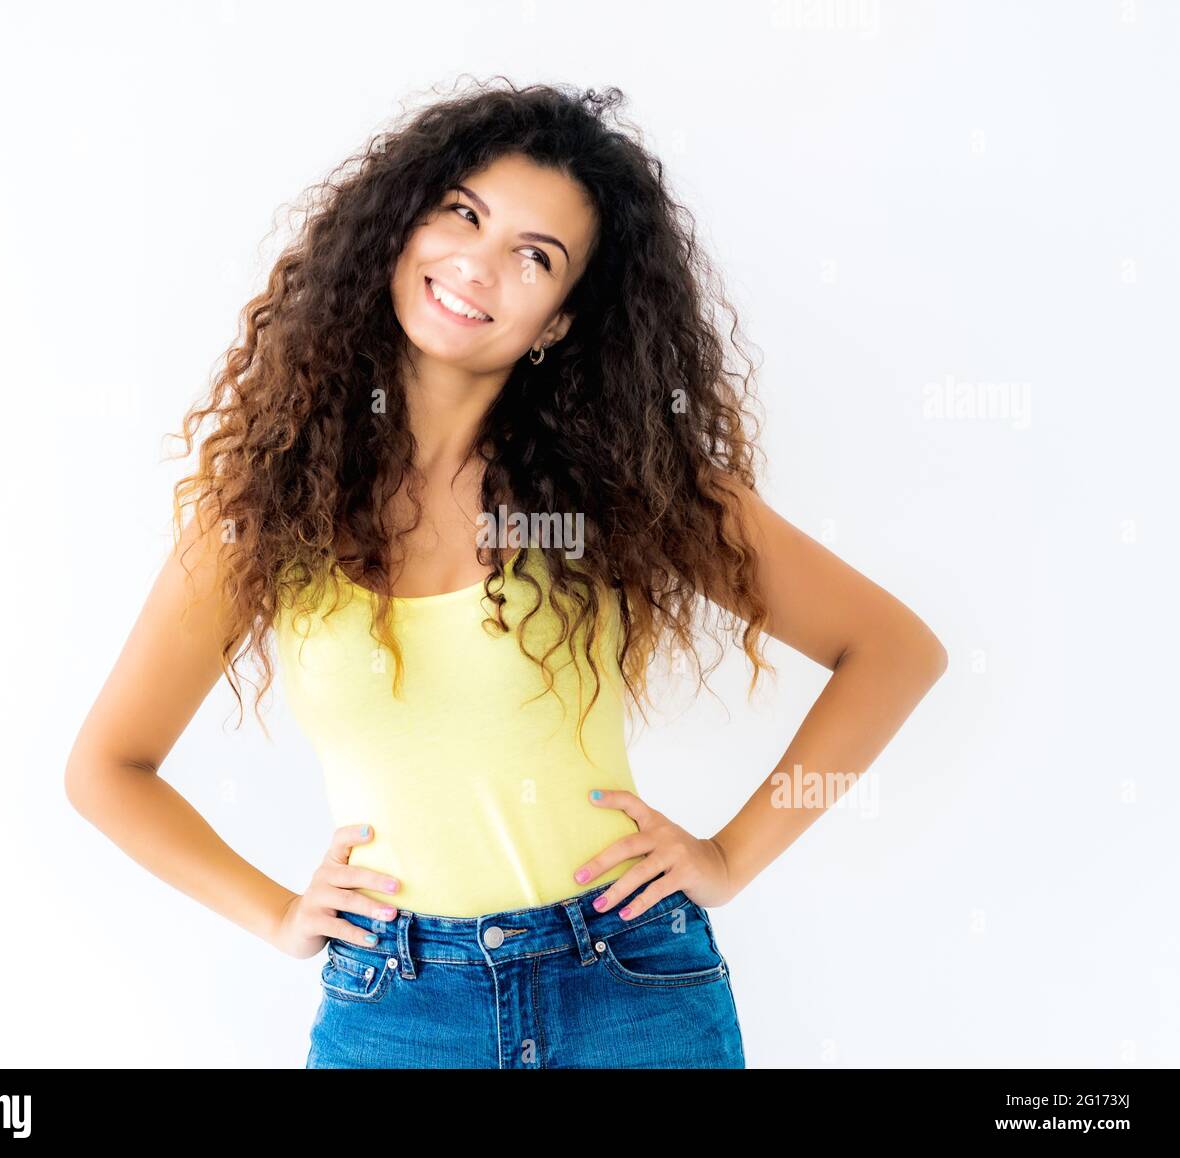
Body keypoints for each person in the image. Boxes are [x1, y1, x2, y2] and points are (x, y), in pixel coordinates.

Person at [64, 79, 948, 1069]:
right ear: (401, 228)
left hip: (628, 984)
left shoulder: (622, 488)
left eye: (535, 258)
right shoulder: (267, 510)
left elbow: (891, 651)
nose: (478, 269)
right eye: (463, 216)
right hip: (395, 1006)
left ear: (559, 323)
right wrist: (278, 915)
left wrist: (729, 857)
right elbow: (108, 770)